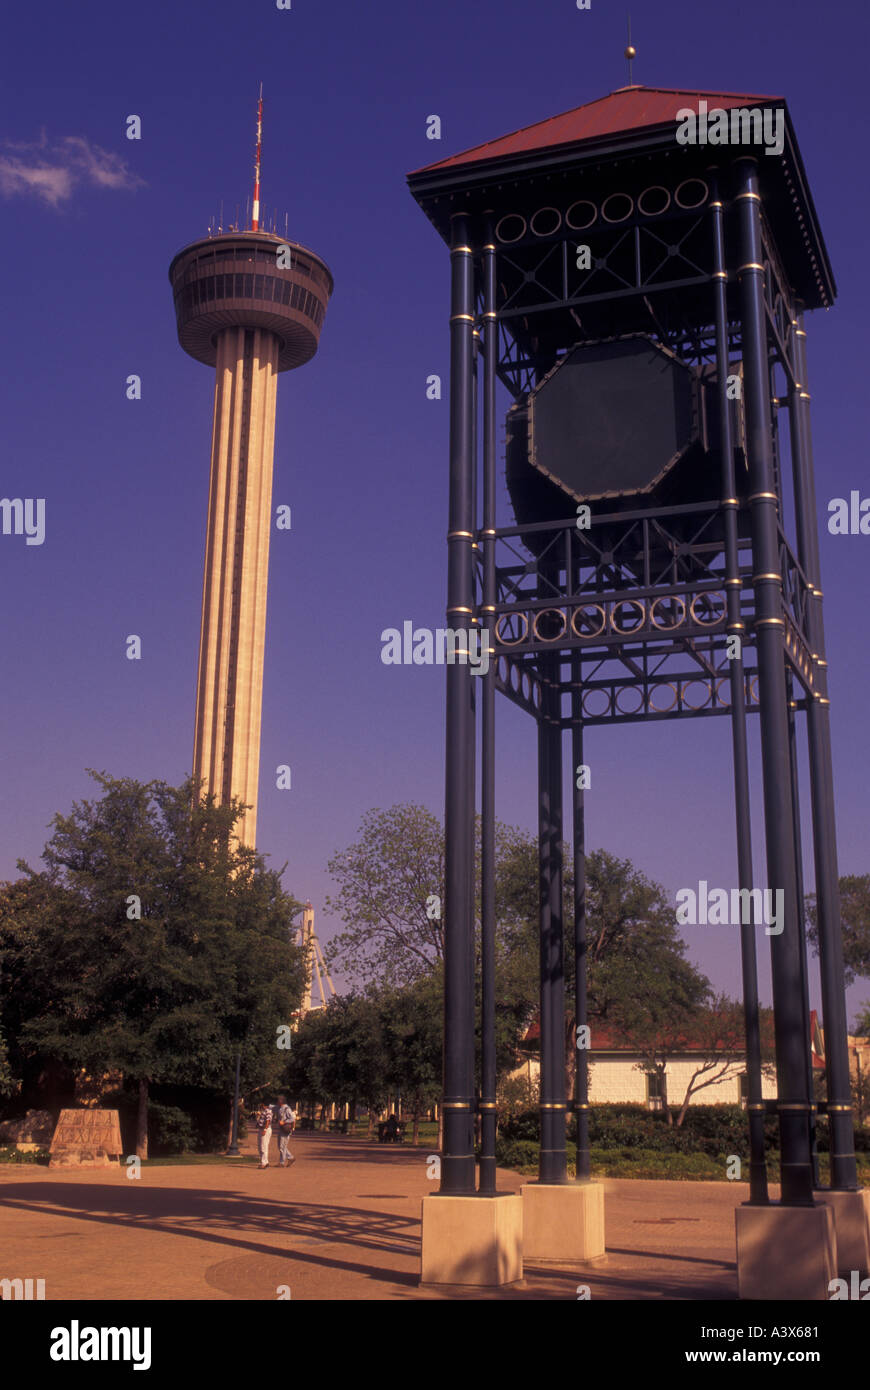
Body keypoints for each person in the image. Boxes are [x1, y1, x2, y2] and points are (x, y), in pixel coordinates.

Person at [273, 1094, 296, 1168]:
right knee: (280, 1146)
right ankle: (289, 1158)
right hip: (281, 1129)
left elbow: (292, 1119)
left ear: (281, 1101)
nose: (277, 1101)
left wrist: (284, 1122)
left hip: (285, 1129)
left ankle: (283, 1161)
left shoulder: (287, 1109)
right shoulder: (279, 1107)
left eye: (278, 1100)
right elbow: (272, 1107)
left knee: (282, 1146)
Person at [255, 1101, 273, 1169]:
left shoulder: (268, 1111)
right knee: (261, 1146)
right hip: (261, 1129)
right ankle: (266, 1162)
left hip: (265, 1129)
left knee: (263, 1147)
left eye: (262, 1104)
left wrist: (265, 1129)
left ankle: (263, 1163)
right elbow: (260, 1121)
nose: (261, 1105)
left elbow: (268, 1121)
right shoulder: (263, 1111)